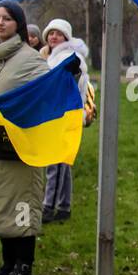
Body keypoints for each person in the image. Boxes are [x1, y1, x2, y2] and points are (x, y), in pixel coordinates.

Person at [0, 1, 51, 275]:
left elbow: (45, 93)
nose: (0, 23)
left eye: (7, 19)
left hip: (20, 145)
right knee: (0, 206)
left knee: (22, 206)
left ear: (18, 24)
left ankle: (24, 267)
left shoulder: (30, 59)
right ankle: (7, 265)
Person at [40, 18, 91, 224]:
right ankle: (64, 206)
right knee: (63, 162)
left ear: (66, 37)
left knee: (57, 163)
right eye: (50, 33)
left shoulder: (70, 57)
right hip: (57, 113)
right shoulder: (55, 55)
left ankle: (48, 206)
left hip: (63, 114)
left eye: (58, 34)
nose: (53, 37)